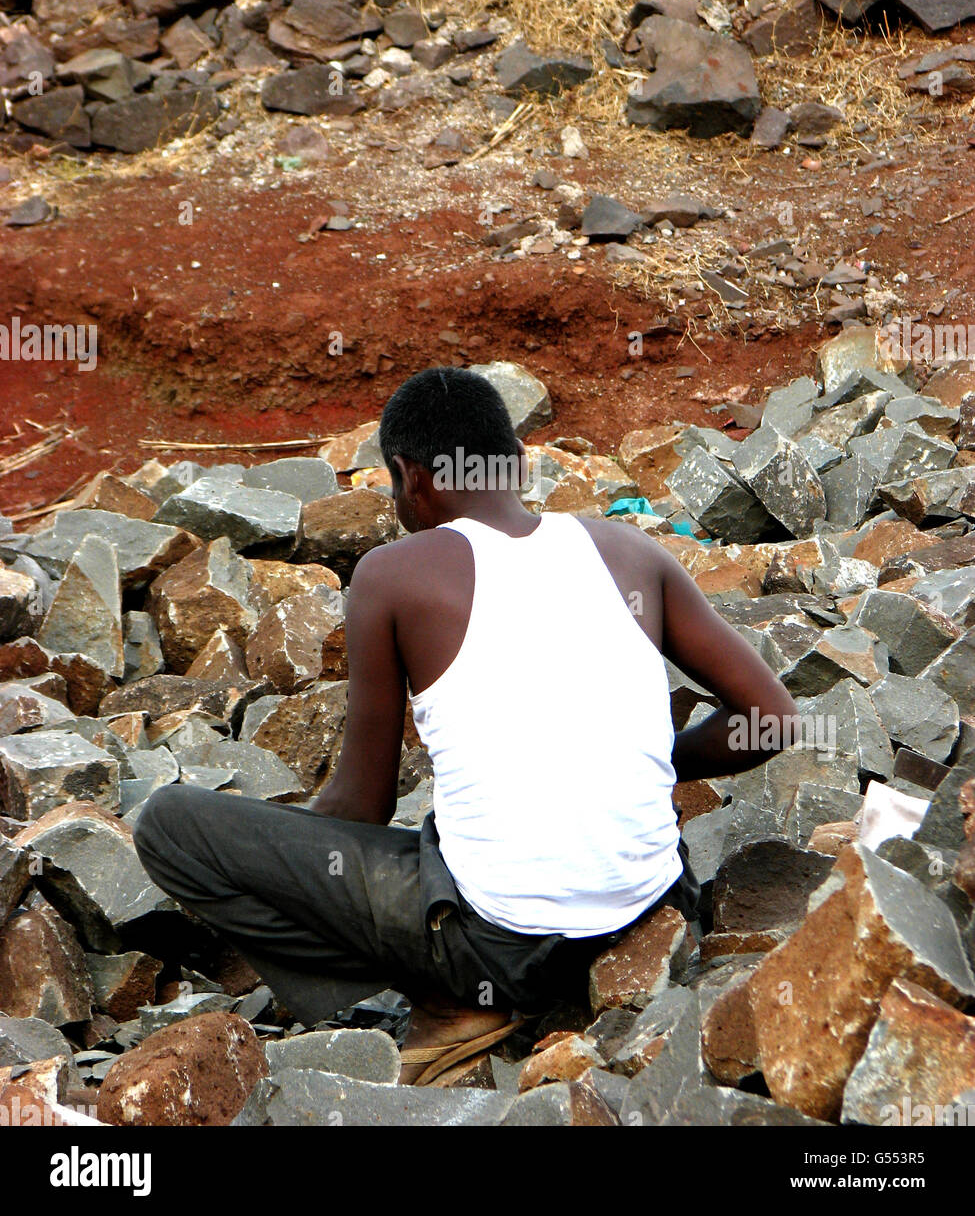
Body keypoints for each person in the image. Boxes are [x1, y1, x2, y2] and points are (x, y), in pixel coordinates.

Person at [134, 366, 799, 1086]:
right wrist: (651, 763)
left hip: (494, 945)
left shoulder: (391, 576)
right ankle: (571, 986)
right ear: (513, 458)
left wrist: (290, 859)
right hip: (645, 911)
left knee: (168, 824)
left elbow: (362, 806)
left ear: (407, 475)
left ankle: (450, 1002)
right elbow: (771, 720)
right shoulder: (630, 552)